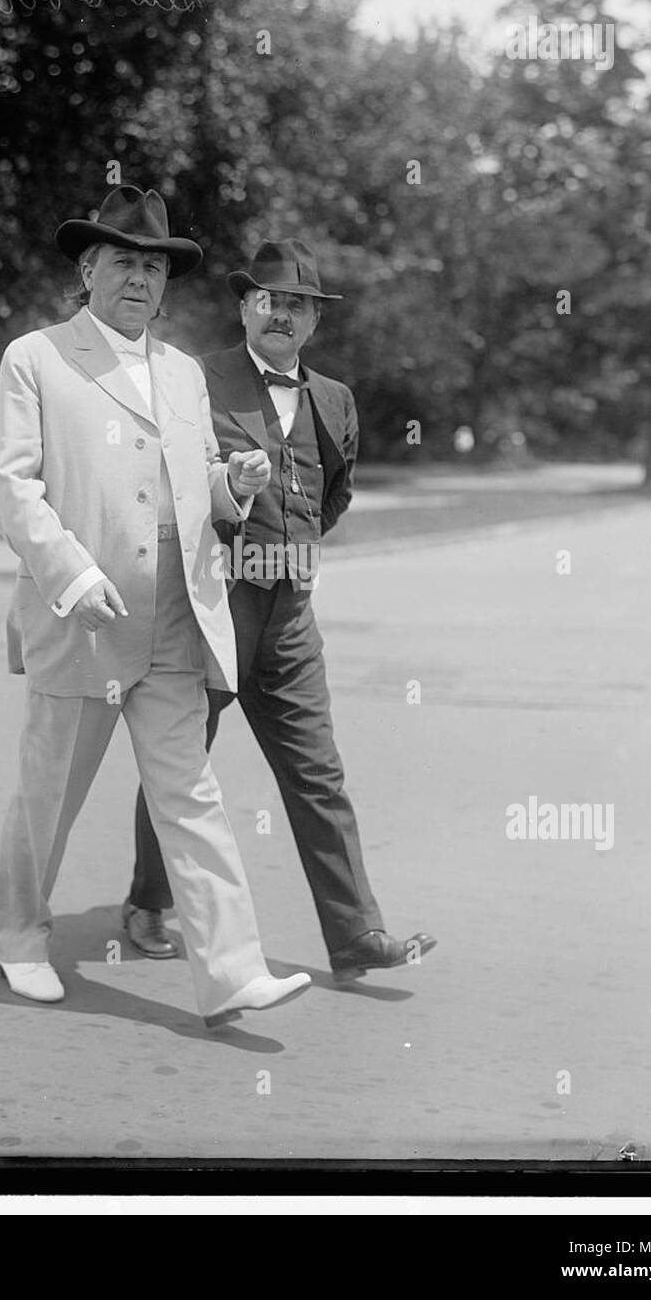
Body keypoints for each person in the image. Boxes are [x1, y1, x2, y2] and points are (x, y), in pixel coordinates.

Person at [0, 187, 310, 1026]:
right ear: (88, 268)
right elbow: (14, 488)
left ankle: (232, 970)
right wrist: (70, 573)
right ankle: (19, 939)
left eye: (153, 266)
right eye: (123, 260)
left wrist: (231, 485)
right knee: (48, 794)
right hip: (82, 614)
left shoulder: (183, 371)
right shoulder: (37, 357)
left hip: (176, 609)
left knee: (190, 791)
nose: (139, 278)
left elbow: (195, 482)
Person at [126, 239, 437, 981]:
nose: (283, 315)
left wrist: (287, 550)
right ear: (244, 306)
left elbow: (335, 495)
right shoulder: (195, 382)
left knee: (317, 773)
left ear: (313, 322)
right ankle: (148, 903)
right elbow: (165, 485)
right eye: (270, 300)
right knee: (181, 761)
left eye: (298, 305)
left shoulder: (333, 398)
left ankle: (357, 934)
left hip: (291, 612)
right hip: (214, 602)